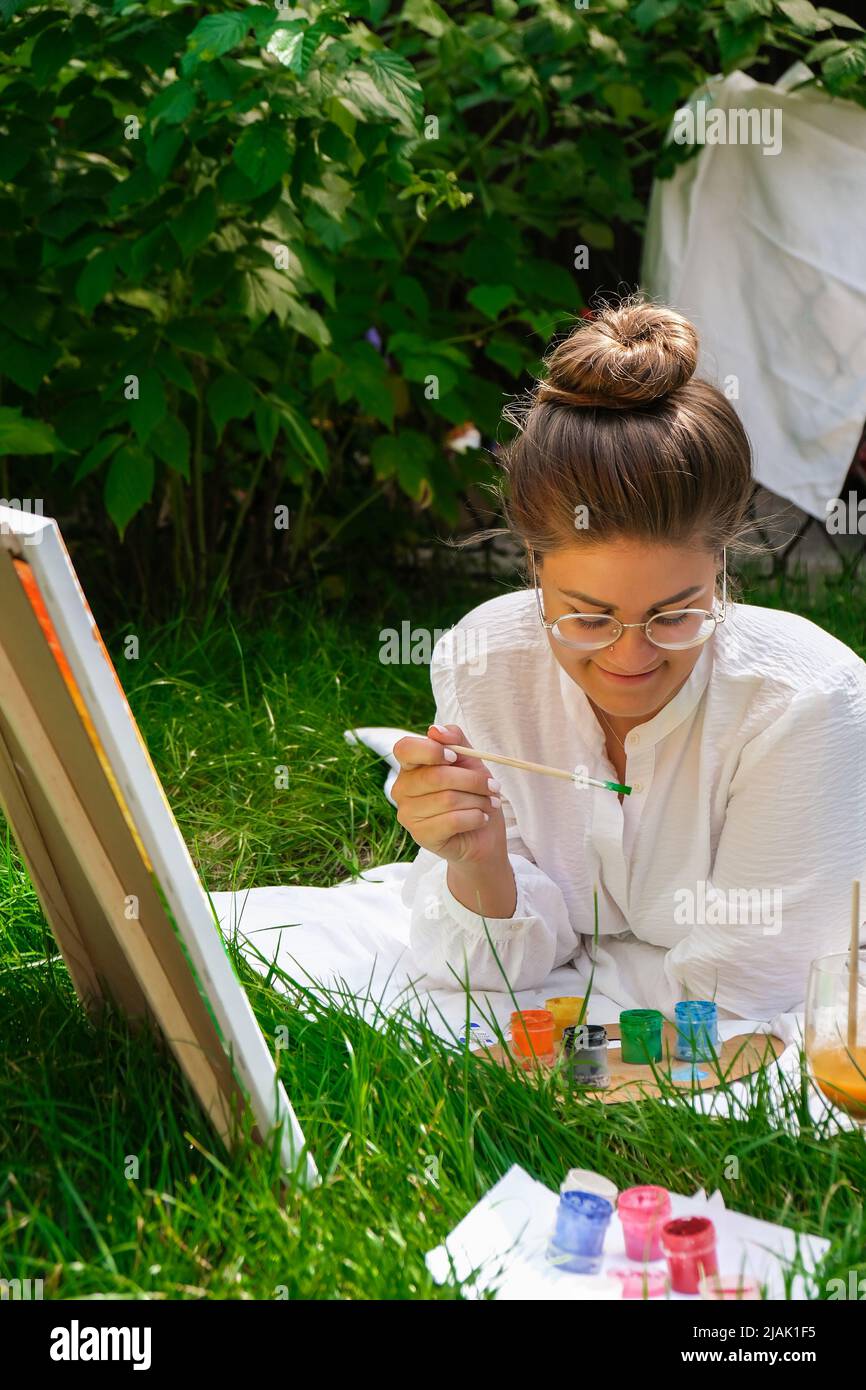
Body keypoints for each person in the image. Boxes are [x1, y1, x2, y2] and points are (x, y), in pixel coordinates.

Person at [392, 298, 866, 1021]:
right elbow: (485, 968)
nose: (631, 657)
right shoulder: (487, 663)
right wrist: (479, 859)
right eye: (588, 617)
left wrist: (583, 1010)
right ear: (532, 565)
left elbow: (747, 993)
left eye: (676, 614)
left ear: (723, 562)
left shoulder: (807, 701)